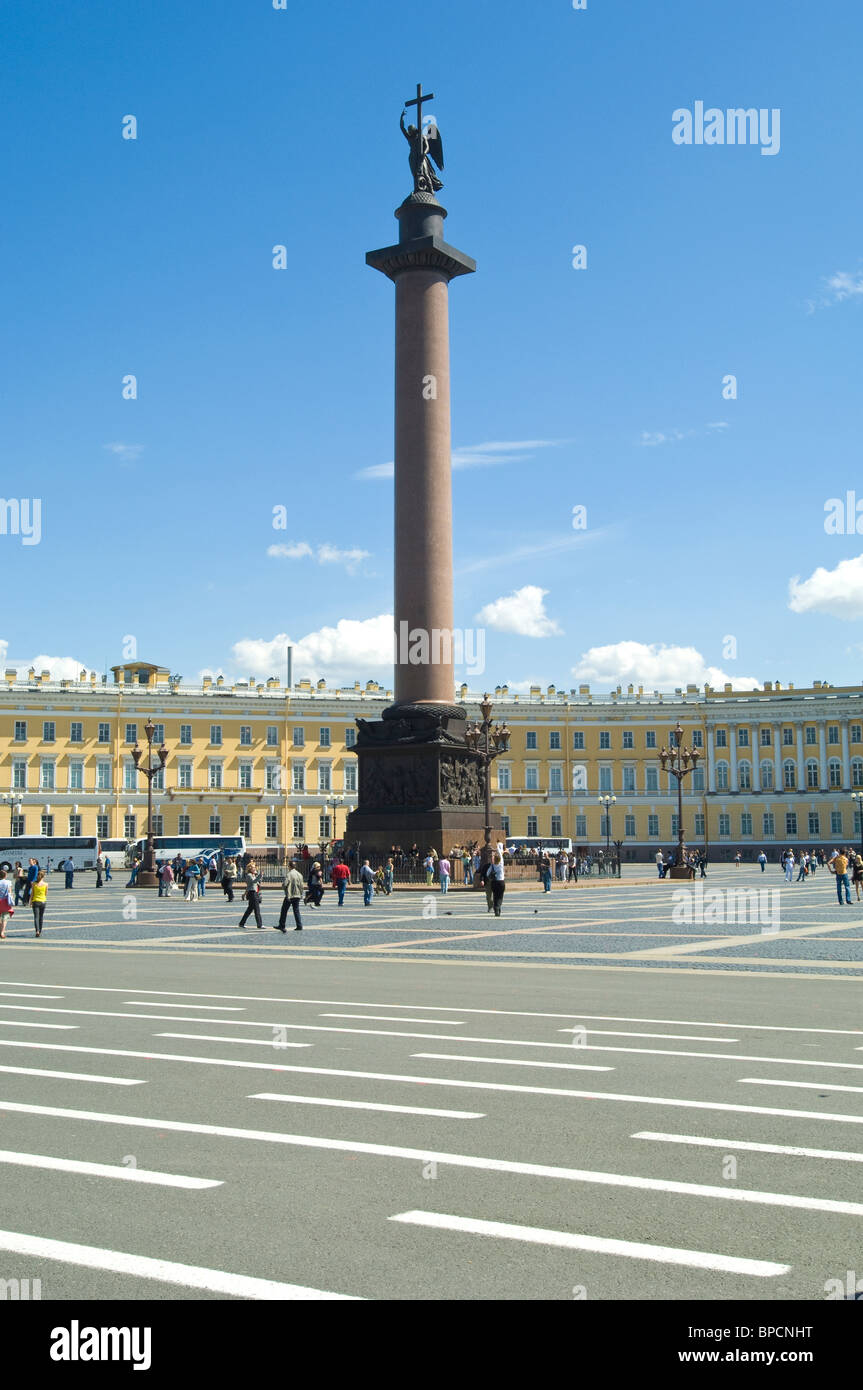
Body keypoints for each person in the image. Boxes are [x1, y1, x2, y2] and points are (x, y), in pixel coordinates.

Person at [276, 861, 305, 932]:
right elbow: (302, 886)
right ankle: (299, 925)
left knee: (284, 910)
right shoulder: (299, 874)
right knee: (296, 910)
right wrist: (301, 894)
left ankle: (282, 925)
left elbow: (285, 884)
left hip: (290, 895)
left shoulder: (289, 874)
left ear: (289, 866)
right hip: (297, 895)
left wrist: (283, 887)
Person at [238, 861, 263, 928]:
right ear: (250, 869)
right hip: (252, 894)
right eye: (253, 868)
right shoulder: (249, 875)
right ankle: (259, 924)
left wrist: (259, 876)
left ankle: (241, 923)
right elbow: (253, 882)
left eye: (255, 867)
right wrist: (260, 875)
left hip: (255, 893)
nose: (254, 869)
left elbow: (258, 882)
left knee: (249, 910)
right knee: (257, 910)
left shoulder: (253, 875)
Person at [30, 869, 47, 937]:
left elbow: (32, 893)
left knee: (36, 917)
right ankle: (40, 930)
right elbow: (45, 894)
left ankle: (37, 930)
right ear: (43, 877)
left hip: (35, 901)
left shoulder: (34, 884)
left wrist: (30, 901)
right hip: (43, 901)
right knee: (41, 917)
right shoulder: (46, 884)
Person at [489, 850, 506, 917]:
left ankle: (496, 908)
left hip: (494, 882)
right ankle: (497, 907)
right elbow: (501, 856)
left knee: (495, 896)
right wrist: (497, 850)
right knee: (500, 896)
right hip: (501, 882)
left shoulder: (492, 866)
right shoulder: (501, 865)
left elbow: (487, 874)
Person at [0, 870, 14, 938]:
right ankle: (2, 932)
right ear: (5, 876)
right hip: (5, 901)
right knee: (5, 917)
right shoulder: (8, 882)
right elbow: (10, 892)